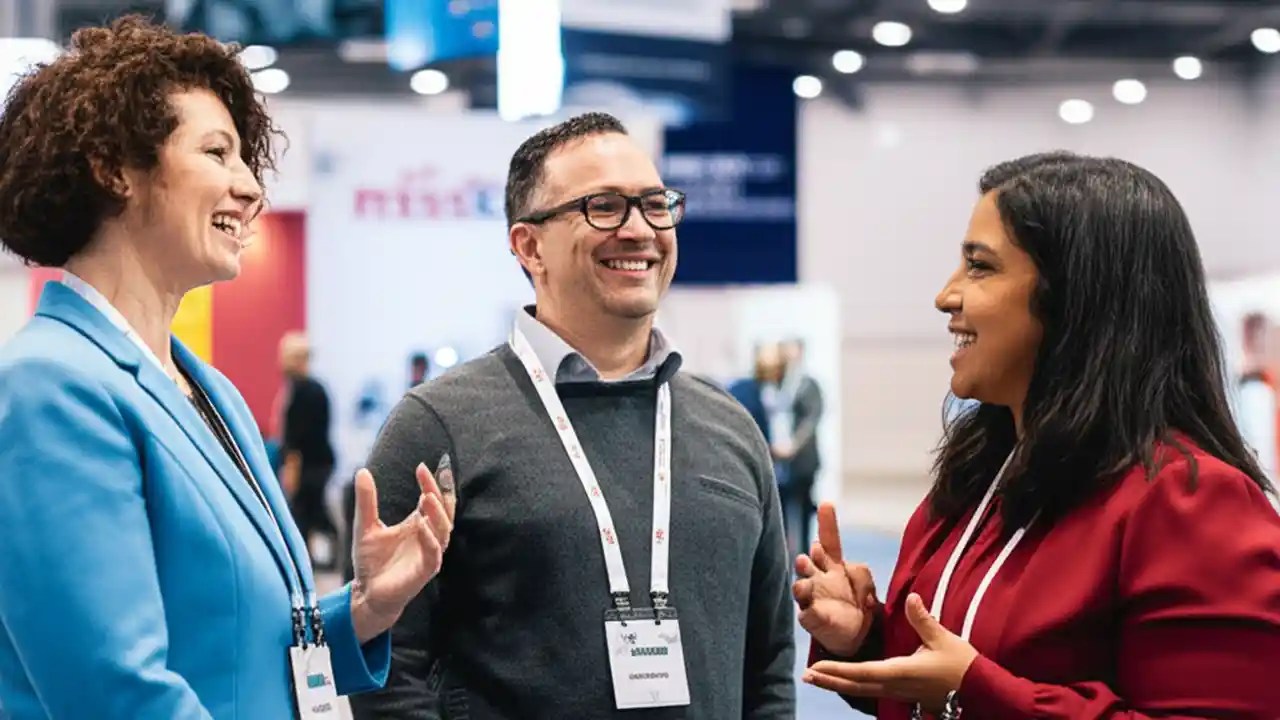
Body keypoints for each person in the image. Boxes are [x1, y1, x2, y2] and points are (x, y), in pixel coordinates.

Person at [0, 16, 454, 719]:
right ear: (112, 167)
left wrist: (363, 608)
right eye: (218, 153)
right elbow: (115, 695)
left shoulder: (208, 392)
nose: (250, 189)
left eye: (246, 160)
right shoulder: (51, 388)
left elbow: (247, 659)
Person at [793, 152, 1280, 718]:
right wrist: (868, 639)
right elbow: (959, 661)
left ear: (1073, 297)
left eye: (979, 267)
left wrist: (973, 692)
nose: (946, 296)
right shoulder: (979, 481)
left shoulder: (1192, 504)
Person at [349, 111, 795, 719]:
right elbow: (389, 669)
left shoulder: (731, 428)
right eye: (605, 206)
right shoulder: (439, 426)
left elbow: (768, 668)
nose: (640, 230)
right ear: (529, 246)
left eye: (655, 204)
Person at [278, 331, 340, 568]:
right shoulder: (309, 389)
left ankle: (303, 563)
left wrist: (291, 469)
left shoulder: (305, 391)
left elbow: (298, 437)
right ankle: (317, 558)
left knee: (304, 514)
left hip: (311, 464)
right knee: (314, 511)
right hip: (318, 462)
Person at [773, 337, 823, 554]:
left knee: (802, 513)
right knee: (781, 514)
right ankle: (782, 558)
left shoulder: (808, 384)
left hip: (803, 462)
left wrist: (794, 446)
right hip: (780, 462)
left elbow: (811, 420)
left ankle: (803, 560)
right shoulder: (779, 383)